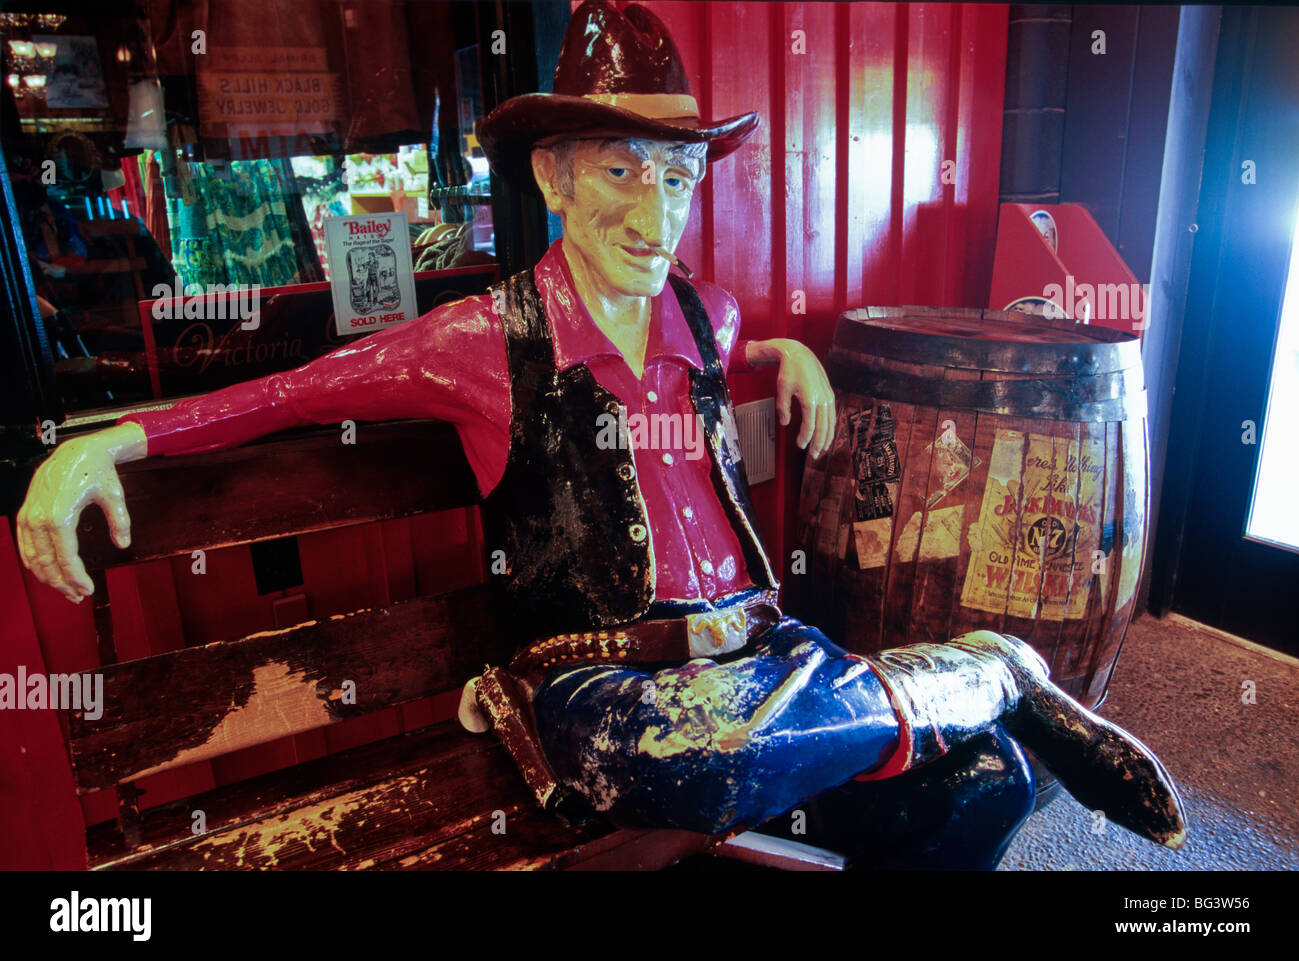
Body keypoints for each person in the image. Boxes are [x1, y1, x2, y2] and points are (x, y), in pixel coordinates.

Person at [16, 1, 1184, 868]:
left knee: (990, 779)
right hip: (601, 697)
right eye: (621, 171)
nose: (653, 209)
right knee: (689, 757)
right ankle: (992, 669)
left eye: (675, 177)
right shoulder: (480, 340)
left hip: (762, 661)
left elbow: (725, 362)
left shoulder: (706, 314)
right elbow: (293, 392)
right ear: (556, 179)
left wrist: (789, 355)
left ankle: (964, 705)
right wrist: (108, 441)